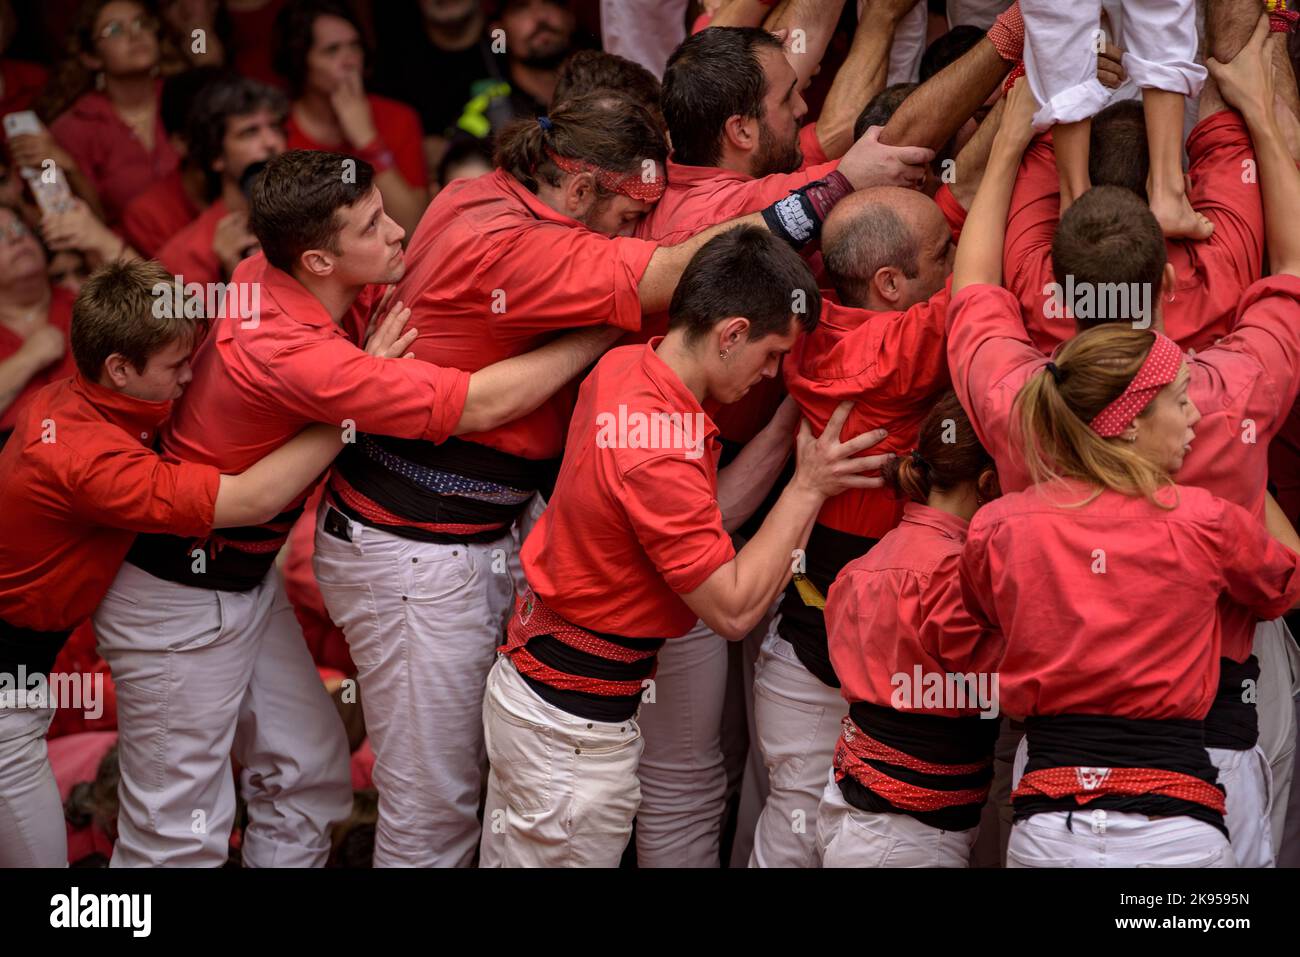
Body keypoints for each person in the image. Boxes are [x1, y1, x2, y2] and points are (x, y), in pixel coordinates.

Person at [93, 148, 637, 868]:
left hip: (243, 581)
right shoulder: (298, 351)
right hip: (175, 595)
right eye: (372, 224)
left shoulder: (267, 272)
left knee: (312, 776)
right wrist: (609, 318)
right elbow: (481, 403)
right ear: (318, 260)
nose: (398, 232)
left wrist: (366, 376)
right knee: (176, 828)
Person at [949, 14, 1300, 866]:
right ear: (1169, 265)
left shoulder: (1023, 401)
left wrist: (1022, 134)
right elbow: (1290, 273)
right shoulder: (1220, 389)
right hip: (1211, 754)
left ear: (1056, 271)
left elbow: (973, 286)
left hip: (1053, 794)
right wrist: (1252, 114)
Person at [480, 226, 892, 867]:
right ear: (730, 333)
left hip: (548, 700)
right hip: (568, 738)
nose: (773, 373)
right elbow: (730, 610)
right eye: (772, 353)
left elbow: (706, 515)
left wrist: (794, 421)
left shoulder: (629, 371)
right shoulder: (658, 448)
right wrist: (809, 489)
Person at [0, 258, 347, 867]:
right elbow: (251, 500)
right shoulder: (86, 459)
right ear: (118, 367)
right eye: (176, 365)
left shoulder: (97, 396)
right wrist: (356, 407)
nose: (194, 375)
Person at [961, 320, 1300, 867]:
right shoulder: (1206, 522)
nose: (1195, 416)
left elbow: (984, 612)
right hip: (1176, 836)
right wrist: (1251, 475)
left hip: (1047, 830)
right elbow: (1284, 588)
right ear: (1128, 424)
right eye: (1182, 399)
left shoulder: (998, 527)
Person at [749, 185, 957, 867]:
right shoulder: (905, 350)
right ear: (891, 283)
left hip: (800, 652)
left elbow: (947, 217)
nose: (956, 268)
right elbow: (987, 277)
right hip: (852, 679)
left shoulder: (815, 329)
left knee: (794, 838)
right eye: (943, 259)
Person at [818, 392, 1002, 867]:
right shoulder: (956, 574)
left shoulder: (863, 565)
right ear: (989, 483)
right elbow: (1004, 683)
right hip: (907, 833)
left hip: (863, 811)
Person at [275, 0, 429, 235]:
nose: (350, 61)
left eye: (355, 46)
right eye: (332, 50)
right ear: (299, 61)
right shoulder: (275, 131)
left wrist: (367, 140)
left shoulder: (399, 117)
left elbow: (413, 228)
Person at [42, 0, 177, 224]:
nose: (135, 35)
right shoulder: (74, 127)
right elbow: (80, 223)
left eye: (142, 23)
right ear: (91, 57)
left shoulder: (188, 95)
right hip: (125, 255)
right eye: (114, 29)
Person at [157, 73, 287, 284]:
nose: (271, 142)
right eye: (250, 132)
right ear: (216, 155)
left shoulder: (316, 223)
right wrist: (234, 277)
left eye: (275, 127)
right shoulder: (185, 255)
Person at [0, 204, 75, 449]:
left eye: (19, 228)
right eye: (0, 235)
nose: (15, 237)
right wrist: (29, 358)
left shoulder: (85, 303)